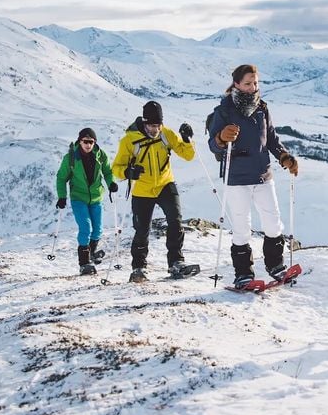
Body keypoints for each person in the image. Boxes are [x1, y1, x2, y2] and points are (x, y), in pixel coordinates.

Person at [207, 64, 299, 289]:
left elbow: (272, 139)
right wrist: (220, 138)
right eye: (248, 83)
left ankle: (275, 265)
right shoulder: (224, 111)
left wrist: (284, 156)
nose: (252, 87)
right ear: (236, 84)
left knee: (273, 222)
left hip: (262, 174)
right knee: (241, 227)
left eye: (255, 83)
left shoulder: (262, 108)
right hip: (237, 177)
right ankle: (243, 274)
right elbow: (213, 146)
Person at [111, 101, 196, 283]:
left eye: (158, 125)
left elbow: (188, 156)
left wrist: (187, 140)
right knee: (142, 229)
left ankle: (176, 262)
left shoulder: (166, 134)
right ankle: (139, 268)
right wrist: (128, 172)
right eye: (151, 125)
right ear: (144, 122)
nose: (155, 129)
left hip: (166, 184)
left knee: (176, 220)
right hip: (142, 189)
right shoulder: (129, 140)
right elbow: (116, 168)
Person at [55, 127, 118, 276]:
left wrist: (111, 183)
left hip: (96, 197)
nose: (88, 145)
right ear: (80, 141)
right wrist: (62, 196)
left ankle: (91, 254)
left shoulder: (100, 155)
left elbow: (108, 172)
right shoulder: (71, 158)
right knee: (86, 228)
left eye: (91, 142)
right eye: (85, 141)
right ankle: (84, 263)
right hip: (79, 198)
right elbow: (61, 178)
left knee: (97, 230)